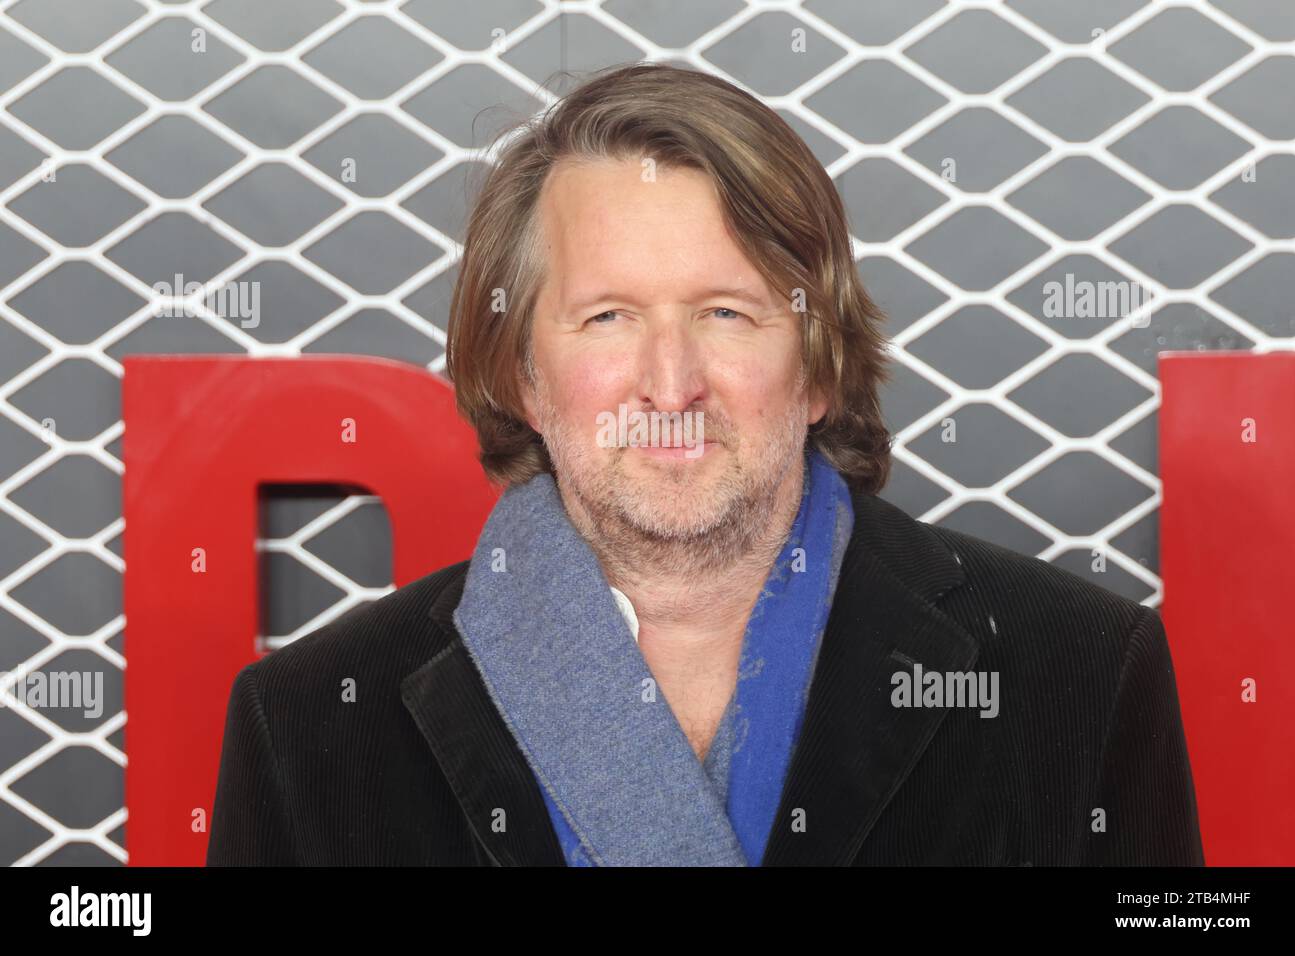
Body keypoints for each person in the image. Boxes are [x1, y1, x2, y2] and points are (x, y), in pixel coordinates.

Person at [206, 62, 1203, 867]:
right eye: (608, 317)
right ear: (520, 371)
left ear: (817, 365)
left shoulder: (1076, 676)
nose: (670, 382)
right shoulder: (309, 727)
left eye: (726, 311)